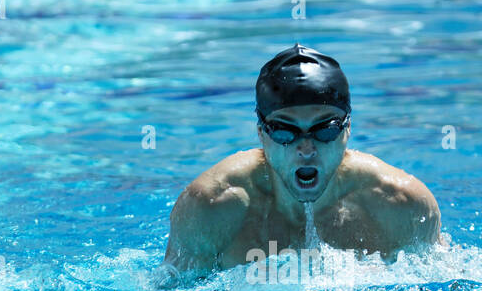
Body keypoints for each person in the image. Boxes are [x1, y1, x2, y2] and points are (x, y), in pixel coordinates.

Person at [163, 44, 442, 275]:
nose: (306, 149)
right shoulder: (211, 207)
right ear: (262, 133)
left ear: (347, 130)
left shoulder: (401, 205)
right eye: (286, 131)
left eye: (325, 130)